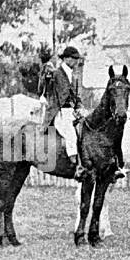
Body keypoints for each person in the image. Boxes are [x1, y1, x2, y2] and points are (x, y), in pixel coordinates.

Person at [40, 45, 89, 180]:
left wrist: (79, 106)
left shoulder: (73, 75)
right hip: (59, 112)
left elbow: (75, 95)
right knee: (71, 135)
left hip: (71, 110)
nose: (76, 62)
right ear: (66, 59)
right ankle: (76, 165)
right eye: (74, 59)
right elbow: (45, 90)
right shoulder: (55, 73)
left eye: (77, 59)